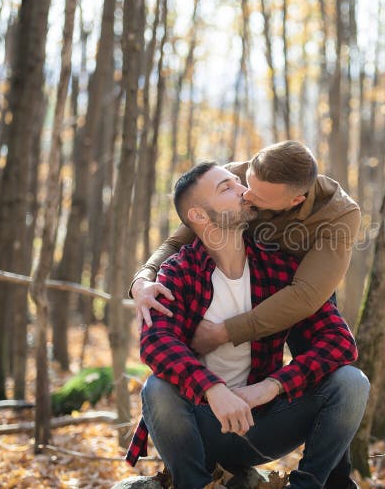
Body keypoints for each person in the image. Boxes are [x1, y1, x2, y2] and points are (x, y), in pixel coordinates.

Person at [125, 162, 369, 489]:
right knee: (156, 389)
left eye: (238, 183)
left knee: (351, 382)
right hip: (201, 426)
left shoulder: (279, 268)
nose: (245, 191)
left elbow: (340, 342)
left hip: (264, 423)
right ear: (198, 215)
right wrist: (213, 390)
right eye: (227, 188)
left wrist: (270, 386)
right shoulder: (178, 273)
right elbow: (155, 343)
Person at [130, 140, 361, 356]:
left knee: (321, 369)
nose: (245, 194)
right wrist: (142, 279)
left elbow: (305, 295)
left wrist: (224, 332)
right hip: (236, 275)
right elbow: (178, 240)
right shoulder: (235, 178)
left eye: (257, 196)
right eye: (247, 183)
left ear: (295, 201)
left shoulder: (339, 213)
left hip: (298, 289)